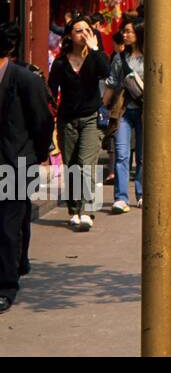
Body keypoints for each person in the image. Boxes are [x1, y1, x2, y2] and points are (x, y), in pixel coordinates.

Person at [0, 22, 54, 313]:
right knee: (15, 220)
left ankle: (6, 286)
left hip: (17, 161)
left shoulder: (26, 80)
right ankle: (19, 260)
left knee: (8, 225)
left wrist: (38, 154)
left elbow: (43, 122)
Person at [47, 15, 110, 232]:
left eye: (86, 30)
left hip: (91, 118)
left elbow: (106, 72)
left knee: (86, 164)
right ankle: (74, 210)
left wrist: (95, 48)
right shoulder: (61, 62)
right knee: (71, 166)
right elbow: (51, 91)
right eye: (78, 31)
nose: (83, 34)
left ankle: (88, 210)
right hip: (67, 120)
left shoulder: (94, 58)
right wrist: (52, 117)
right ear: (69, 36)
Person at [103, 19, 145, 211]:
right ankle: (121, 197)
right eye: (124, 32)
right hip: (124, 110)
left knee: (144, 157)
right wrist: (102, 107)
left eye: (128, 32)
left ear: (138, 33)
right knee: (121, 154)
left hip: (146, 111)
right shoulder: (119, 58)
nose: (125, 35)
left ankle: (142, 192)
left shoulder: (149, 55)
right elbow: (111, 83)